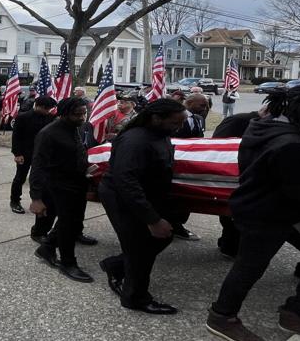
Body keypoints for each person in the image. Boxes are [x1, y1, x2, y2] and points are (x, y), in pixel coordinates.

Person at [206, 86, 300, 341]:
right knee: (249, 267)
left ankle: (296, 314)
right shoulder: (292, 144)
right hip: (268, 214)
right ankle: (222, 317)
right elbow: (298, 187)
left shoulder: (263, 127)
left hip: (275, 209)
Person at [96, 99, 187, 315]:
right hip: (124, 198)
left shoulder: (158, 134)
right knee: (139, 250)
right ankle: (135, 298)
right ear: (156, 118)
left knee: (161, 238)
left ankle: (116, 265)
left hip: (144, 195)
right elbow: (126, 182)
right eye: (175, 123)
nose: (179, 127)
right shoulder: (134, 141)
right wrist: (152, 219)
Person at [209, 84, 285, 259]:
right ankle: (229, 246)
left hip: (251, 175)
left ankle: (231, 244)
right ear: (265, 113)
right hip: (233, 173)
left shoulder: (268, 127)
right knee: (231, 216)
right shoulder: (238, 120)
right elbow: (219, 145)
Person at [27, 96, 96, 283]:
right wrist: (36, 198)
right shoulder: (48, 133)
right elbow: (38, 165)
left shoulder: (76, 128)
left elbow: (77, 152)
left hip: (77, 182)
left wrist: (86, 168)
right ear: (64, 114)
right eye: (77, 114)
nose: (82, 117)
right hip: (57, 185)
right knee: (67, 224)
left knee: (74, 221)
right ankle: (68, 262)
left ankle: (47, 247)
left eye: (84, 113)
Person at [166, 93, 212, 242]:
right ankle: (173, 225)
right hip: (173, 162)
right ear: (189, 103)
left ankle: (177, 224)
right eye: (202, 105)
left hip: (189, 164)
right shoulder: (173, 118)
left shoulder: (199, 119)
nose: (205, 108)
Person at [10, 94, 57, 214]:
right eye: (46, 108)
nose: (48, 111)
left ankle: (39, 201)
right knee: (20, 178)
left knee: (41, 179)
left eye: (49, 109)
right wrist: (17, 154)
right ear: (38, 106)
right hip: (25, 153)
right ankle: (15, 201)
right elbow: (16, 137)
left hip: (42, 154)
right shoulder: (23, 117)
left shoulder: (50, 118)